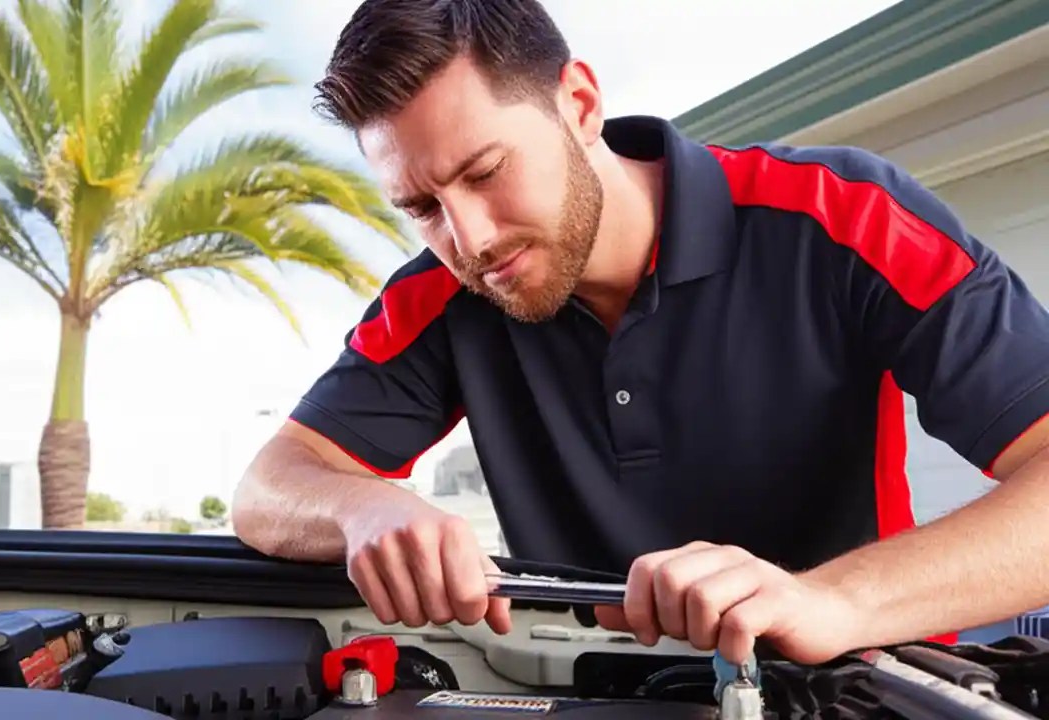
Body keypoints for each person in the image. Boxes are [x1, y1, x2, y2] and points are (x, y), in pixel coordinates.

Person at [232, 0, 1049, 666]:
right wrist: (365, 511)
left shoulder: (844, 216)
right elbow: (270, 487)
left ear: (580, 106)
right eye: (421, 208)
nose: (470, 238)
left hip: (855, 692)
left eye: (485, 172)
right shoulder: (444, 295)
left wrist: (831, 601)